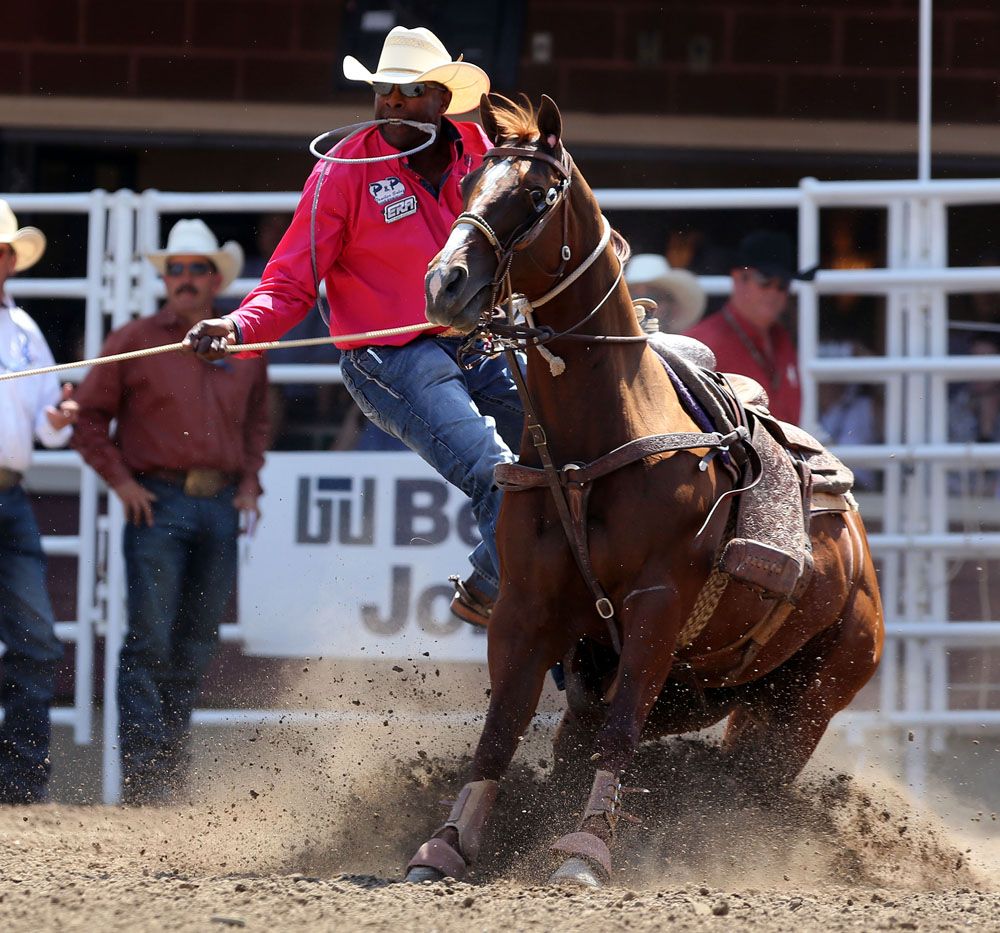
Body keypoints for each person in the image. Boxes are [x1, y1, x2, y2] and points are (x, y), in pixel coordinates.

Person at [183, 26, 522, 628]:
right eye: (383, 91)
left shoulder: (479, 153)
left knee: (570, 457)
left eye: (409, 90)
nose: (392, 102)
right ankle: (491, 589)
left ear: (440, 100)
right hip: (390, 357)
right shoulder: (341, 174)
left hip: (477, 341)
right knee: (502, 473)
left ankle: (566, 654)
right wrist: (239, 327)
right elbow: (289, 283)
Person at [72, 218, 270, 803]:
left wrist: (251, 481)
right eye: (175, 269)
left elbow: (260, 419)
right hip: (157, 501)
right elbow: (88, 418)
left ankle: (166, 772)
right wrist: (122, 483)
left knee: (196, 643)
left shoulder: (243, 345)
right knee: (152, 640)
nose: (184, 279)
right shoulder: (136, 339)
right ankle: (145, 783)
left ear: (214, 279)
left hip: (216, 505)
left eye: (195, 269)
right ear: (166, 277)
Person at [0, 200, 78, 804]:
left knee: (37, 642)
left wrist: (59, 415)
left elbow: (51, 425)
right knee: (33, 640)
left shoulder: (24, 331)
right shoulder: (23, 331)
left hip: (10, 494)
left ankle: (21, 786)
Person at [685, 230, 811, 424]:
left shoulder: (781, 338)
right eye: (765, 281)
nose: (773, 292)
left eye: (783, 285)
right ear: (738, 279)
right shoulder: (702, 343)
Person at [623, 252, 706, 334]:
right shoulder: (612, 346)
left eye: (652, 298)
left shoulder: (686, 345)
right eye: (633, 298)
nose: (641, 307)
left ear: (673, 307)